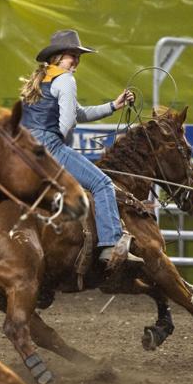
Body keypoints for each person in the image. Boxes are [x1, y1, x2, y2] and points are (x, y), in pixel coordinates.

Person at [20, 29, 143, 266]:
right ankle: (111, 245)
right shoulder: (66, 79)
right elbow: (67, 121)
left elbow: (78, 113)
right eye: (71, 55)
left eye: (78, 56)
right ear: (58, 57)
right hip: (48, 147)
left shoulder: (43, 78)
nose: (76, 61)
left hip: (25, 147)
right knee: (103, 183)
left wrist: (112, 106)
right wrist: (58, 145)